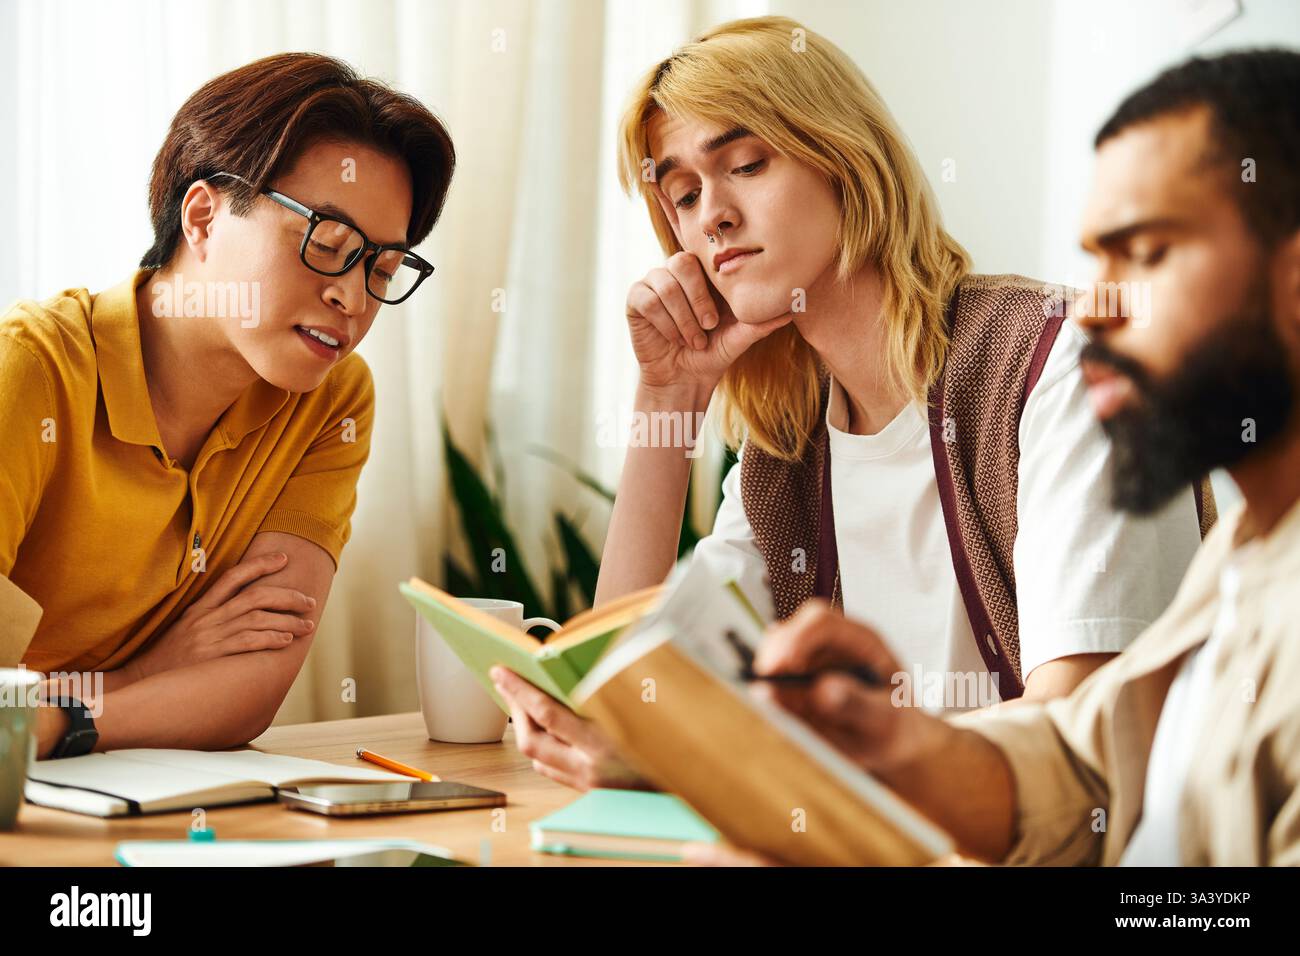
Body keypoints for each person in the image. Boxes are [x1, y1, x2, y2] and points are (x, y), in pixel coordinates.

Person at [491, 16, 1208, 792]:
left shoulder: (1068, 361)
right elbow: (625, 695)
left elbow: (1085, 739)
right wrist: (670, 395)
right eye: (685, 195)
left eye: (746, 164)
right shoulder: (787, 451)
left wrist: (702, 767)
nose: (712, 216)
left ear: (847, 159)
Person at [720, 47, 1300, 866]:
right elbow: (1082, 771)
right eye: (1096, 258)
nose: (1094, 313)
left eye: (1147, 254)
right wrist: (889, 746)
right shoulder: (1246, 567)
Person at [0, 53, 455, 758]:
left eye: (382, 268)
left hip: (141, 796)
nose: (354, 299)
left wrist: (61, 719)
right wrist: (152, 674)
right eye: (327, 244)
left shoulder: (332, 399)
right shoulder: (27, 370)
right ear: (205, 217)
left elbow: (246, 691)